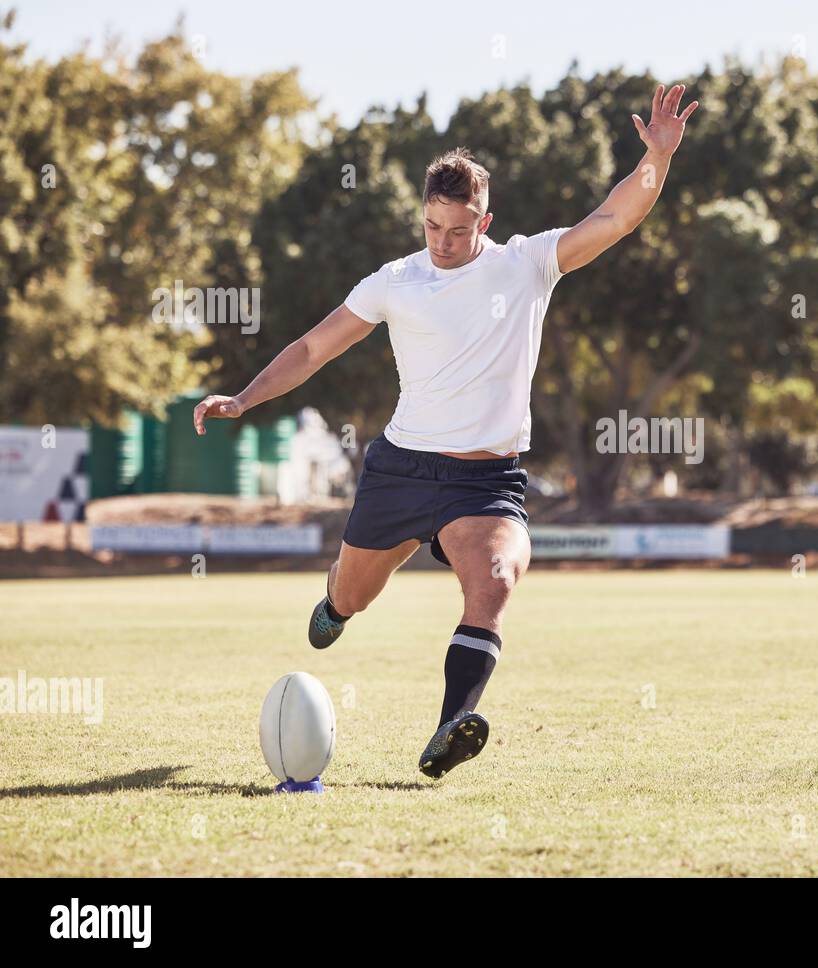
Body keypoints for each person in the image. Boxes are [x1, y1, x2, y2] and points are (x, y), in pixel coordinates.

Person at [193, 83, 699, 779]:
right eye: (433, 227)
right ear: (422, 217)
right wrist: (245, 398)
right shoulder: (395, 281)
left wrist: (657, 162)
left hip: (485, 481)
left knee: (494, 580)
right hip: (401, 471)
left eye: (458, 229)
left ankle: (451, 725)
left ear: (484, 219)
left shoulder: (527, 264)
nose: (444, 242)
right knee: (351, 597)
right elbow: (314, 348)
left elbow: (614, 219)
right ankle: (336, 598)